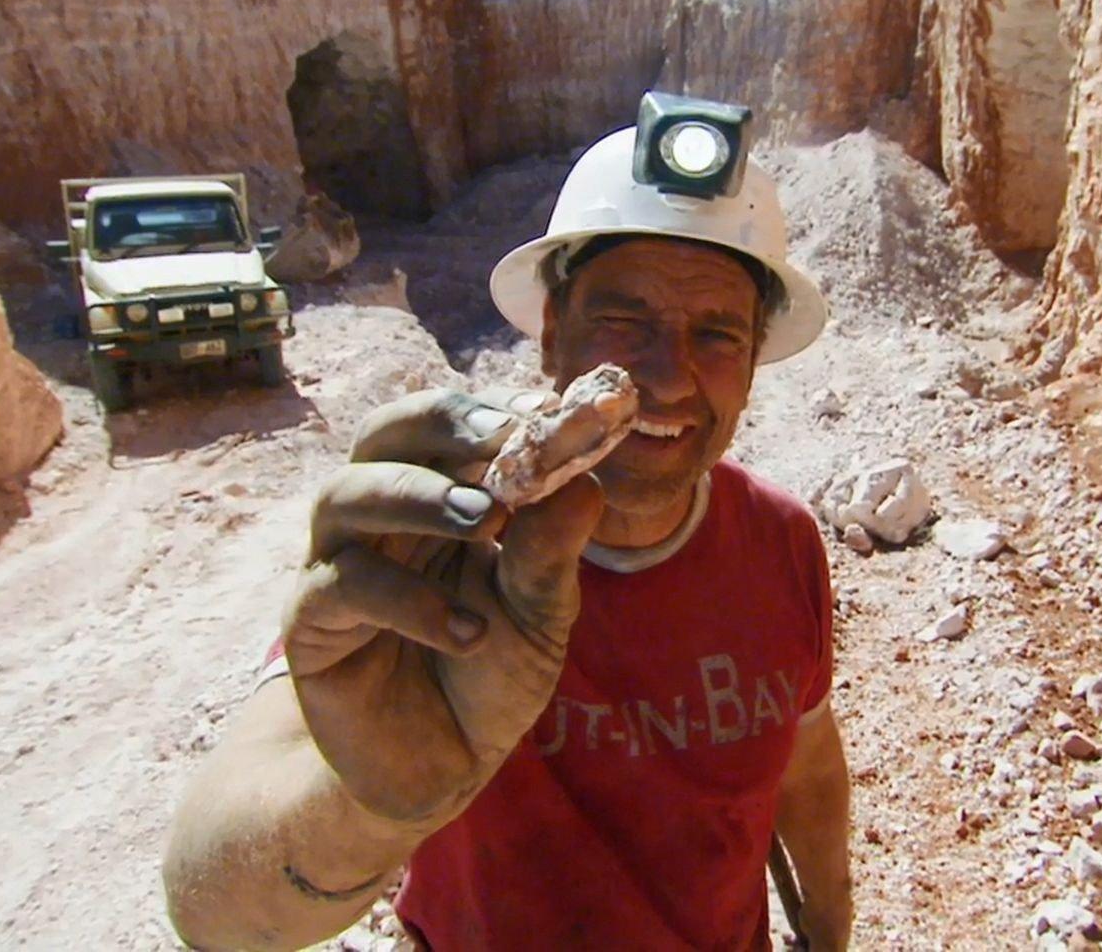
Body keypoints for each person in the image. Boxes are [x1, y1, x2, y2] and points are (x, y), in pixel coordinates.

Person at [162, 95, 853, 951]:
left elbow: (808, 765)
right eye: (622, 321)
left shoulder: (781, 541)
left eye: (716, 334)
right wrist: (368, 808)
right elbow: (213, 913)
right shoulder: (441, 545)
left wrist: (829, 930)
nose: (669, 377)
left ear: (752, 364)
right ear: (552, 335)